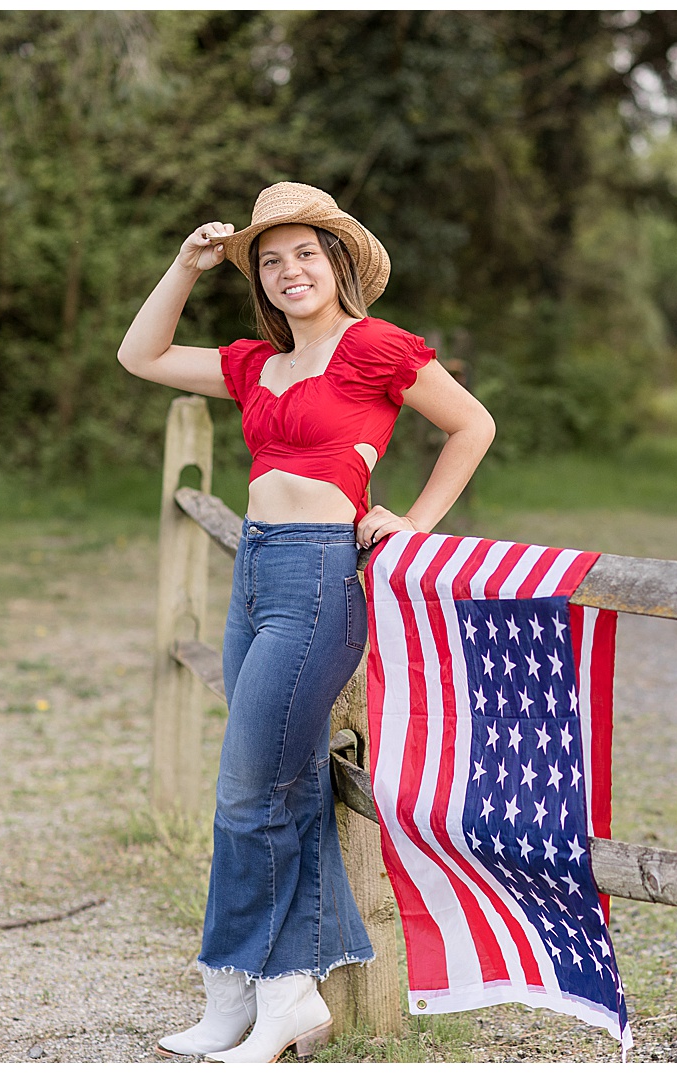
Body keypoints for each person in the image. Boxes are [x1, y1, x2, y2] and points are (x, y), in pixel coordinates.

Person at [117, 182, 495, 1062]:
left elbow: (471, 423)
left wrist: (416, 521)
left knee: (250, 789)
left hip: (320, 574)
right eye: (272, 258)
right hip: (255, 570)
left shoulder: (376, 348)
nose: (290, 270)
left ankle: (262, 986)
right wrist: (185, 264)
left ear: (340, 264)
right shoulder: (255, 362)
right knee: (273, 784)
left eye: (306, 254)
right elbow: (141, 354)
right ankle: (261, 994)